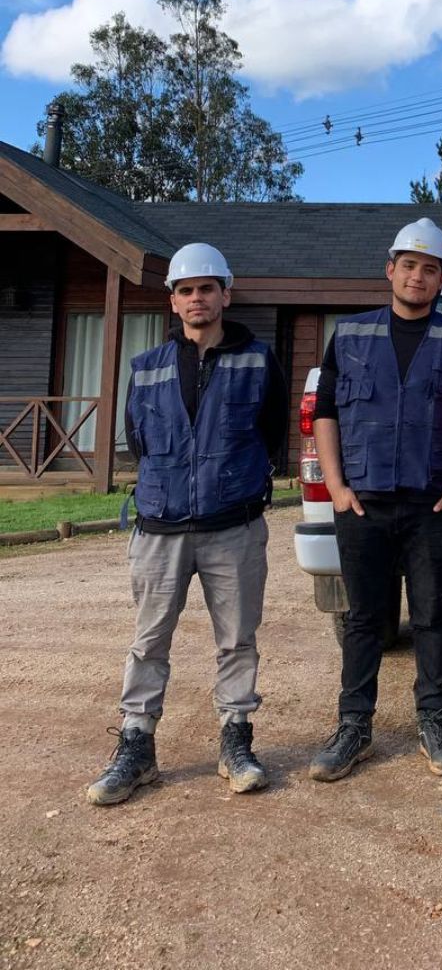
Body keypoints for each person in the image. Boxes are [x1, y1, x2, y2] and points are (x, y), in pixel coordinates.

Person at [87, 242, 288, 805]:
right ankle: (136, 745)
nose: (196, 298)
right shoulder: (146, 369)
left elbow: (272, 435)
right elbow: (139, 439)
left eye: (206, 288)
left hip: (235, 526)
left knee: (237, 641)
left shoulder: (258, 360)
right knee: (149, 641)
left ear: (226, 293)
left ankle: (237, 741)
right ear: (173, 302)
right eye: (185, 290)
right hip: (160, 528)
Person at [308, 218, 442, 781]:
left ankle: (435, 725)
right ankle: (353, 728)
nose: (418, 276)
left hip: (432, 506)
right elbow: (326, 414)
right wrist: (336, 487)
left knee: (433, 615)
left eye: (429, 269)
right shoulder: (351, 334)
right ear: (390, 270)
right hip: (362, 503)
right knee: (364, 618)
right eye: (408, 265)